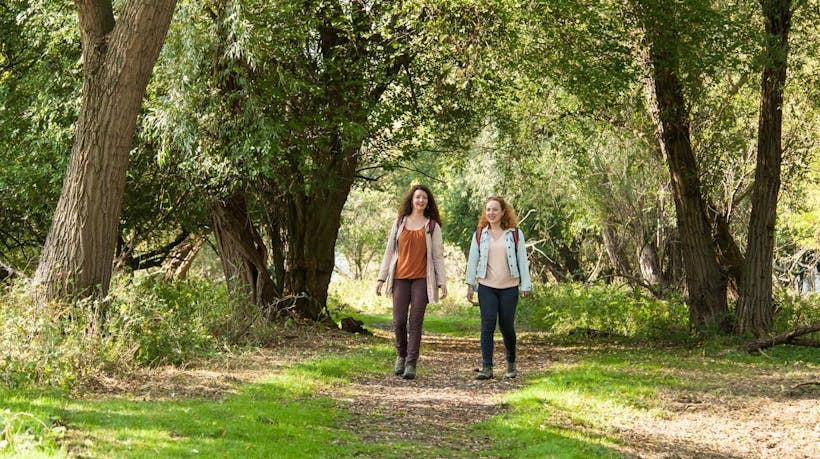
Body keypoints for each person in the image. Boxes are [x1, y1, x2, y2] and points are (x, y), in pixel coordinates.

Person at [376, 185, 448, 380]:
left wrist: (442, 282)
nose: (421, 201)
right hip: (399, 277)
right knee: (398, 321)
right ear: (412, 200)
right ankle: (401, 355)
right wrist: (381, 278)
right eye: (418, 197)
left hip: (422, 280)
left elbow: (437, 257)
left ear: (428, 202)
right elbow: (389, 252)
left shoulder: (432, 226)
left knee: (415, 322)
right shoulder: (399, 223)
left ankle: (411, 364)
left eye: (424, 198)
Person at [465, 197, 531, 380]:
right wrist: (470, 285)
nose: (491, 213)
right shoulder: (480, 234)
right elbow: (472, 260)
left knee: (507, 326)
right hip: (486, 286)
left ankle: (511, 362)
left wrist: (526, 284)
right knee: (487, 326)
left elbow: (522, 260)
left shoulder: (515, 234)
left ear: (503, 212)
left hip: (509, 287)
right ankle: (487, 367)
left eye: (495, 209)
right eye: (488, 210)